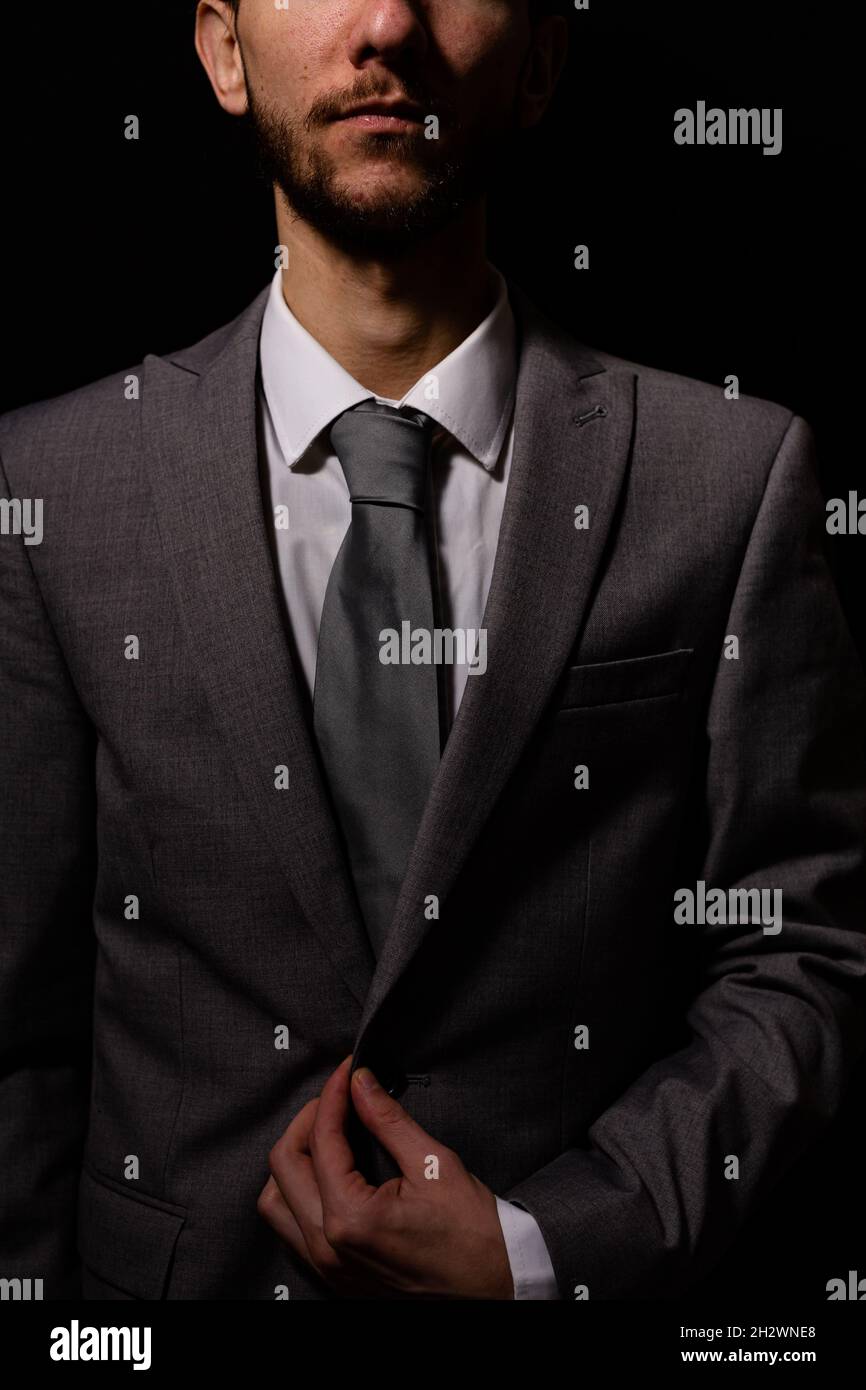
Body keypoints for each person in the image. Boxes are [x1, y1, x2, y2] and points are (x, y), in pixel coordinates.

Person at [0, 0, 863, 1301]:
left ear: (541, 62)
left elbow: (802, 947)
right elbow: (19, 1025)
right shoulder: (49, 484)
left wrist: (549, 1248)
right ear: (224, 51)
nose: (388, 21)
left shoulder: (729, 476)